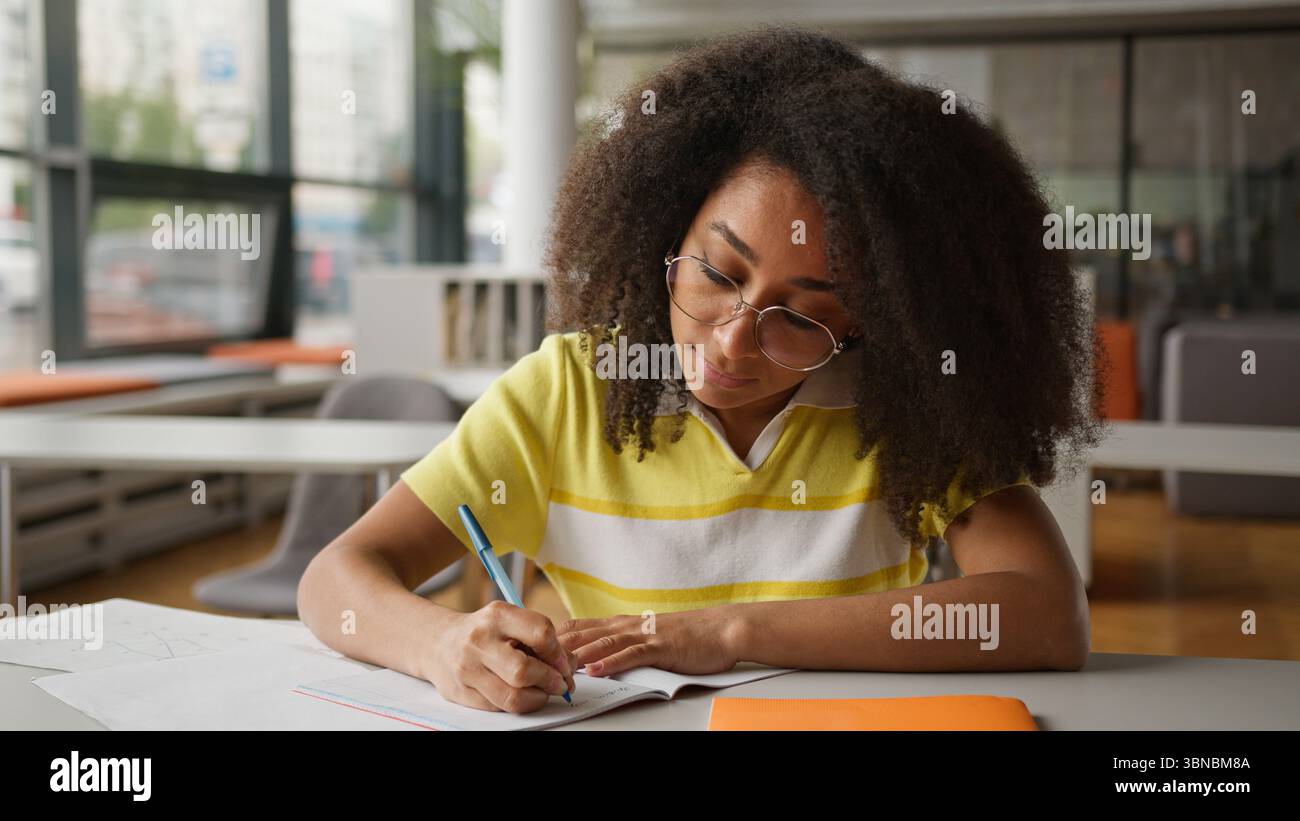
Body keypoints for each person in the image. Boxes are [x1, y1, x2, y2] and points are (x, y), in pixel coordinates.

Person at [298, 26, 1103, 714]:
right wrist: (441, 643)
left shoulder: (905, 410)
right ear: (665, 223)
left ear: (871, 319)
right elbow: (333, 580)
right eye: (717, 274)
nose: (729, 345)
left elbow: (1044, 616)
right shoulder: (570, 394)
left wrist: (726, 632)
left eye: (802, 315)